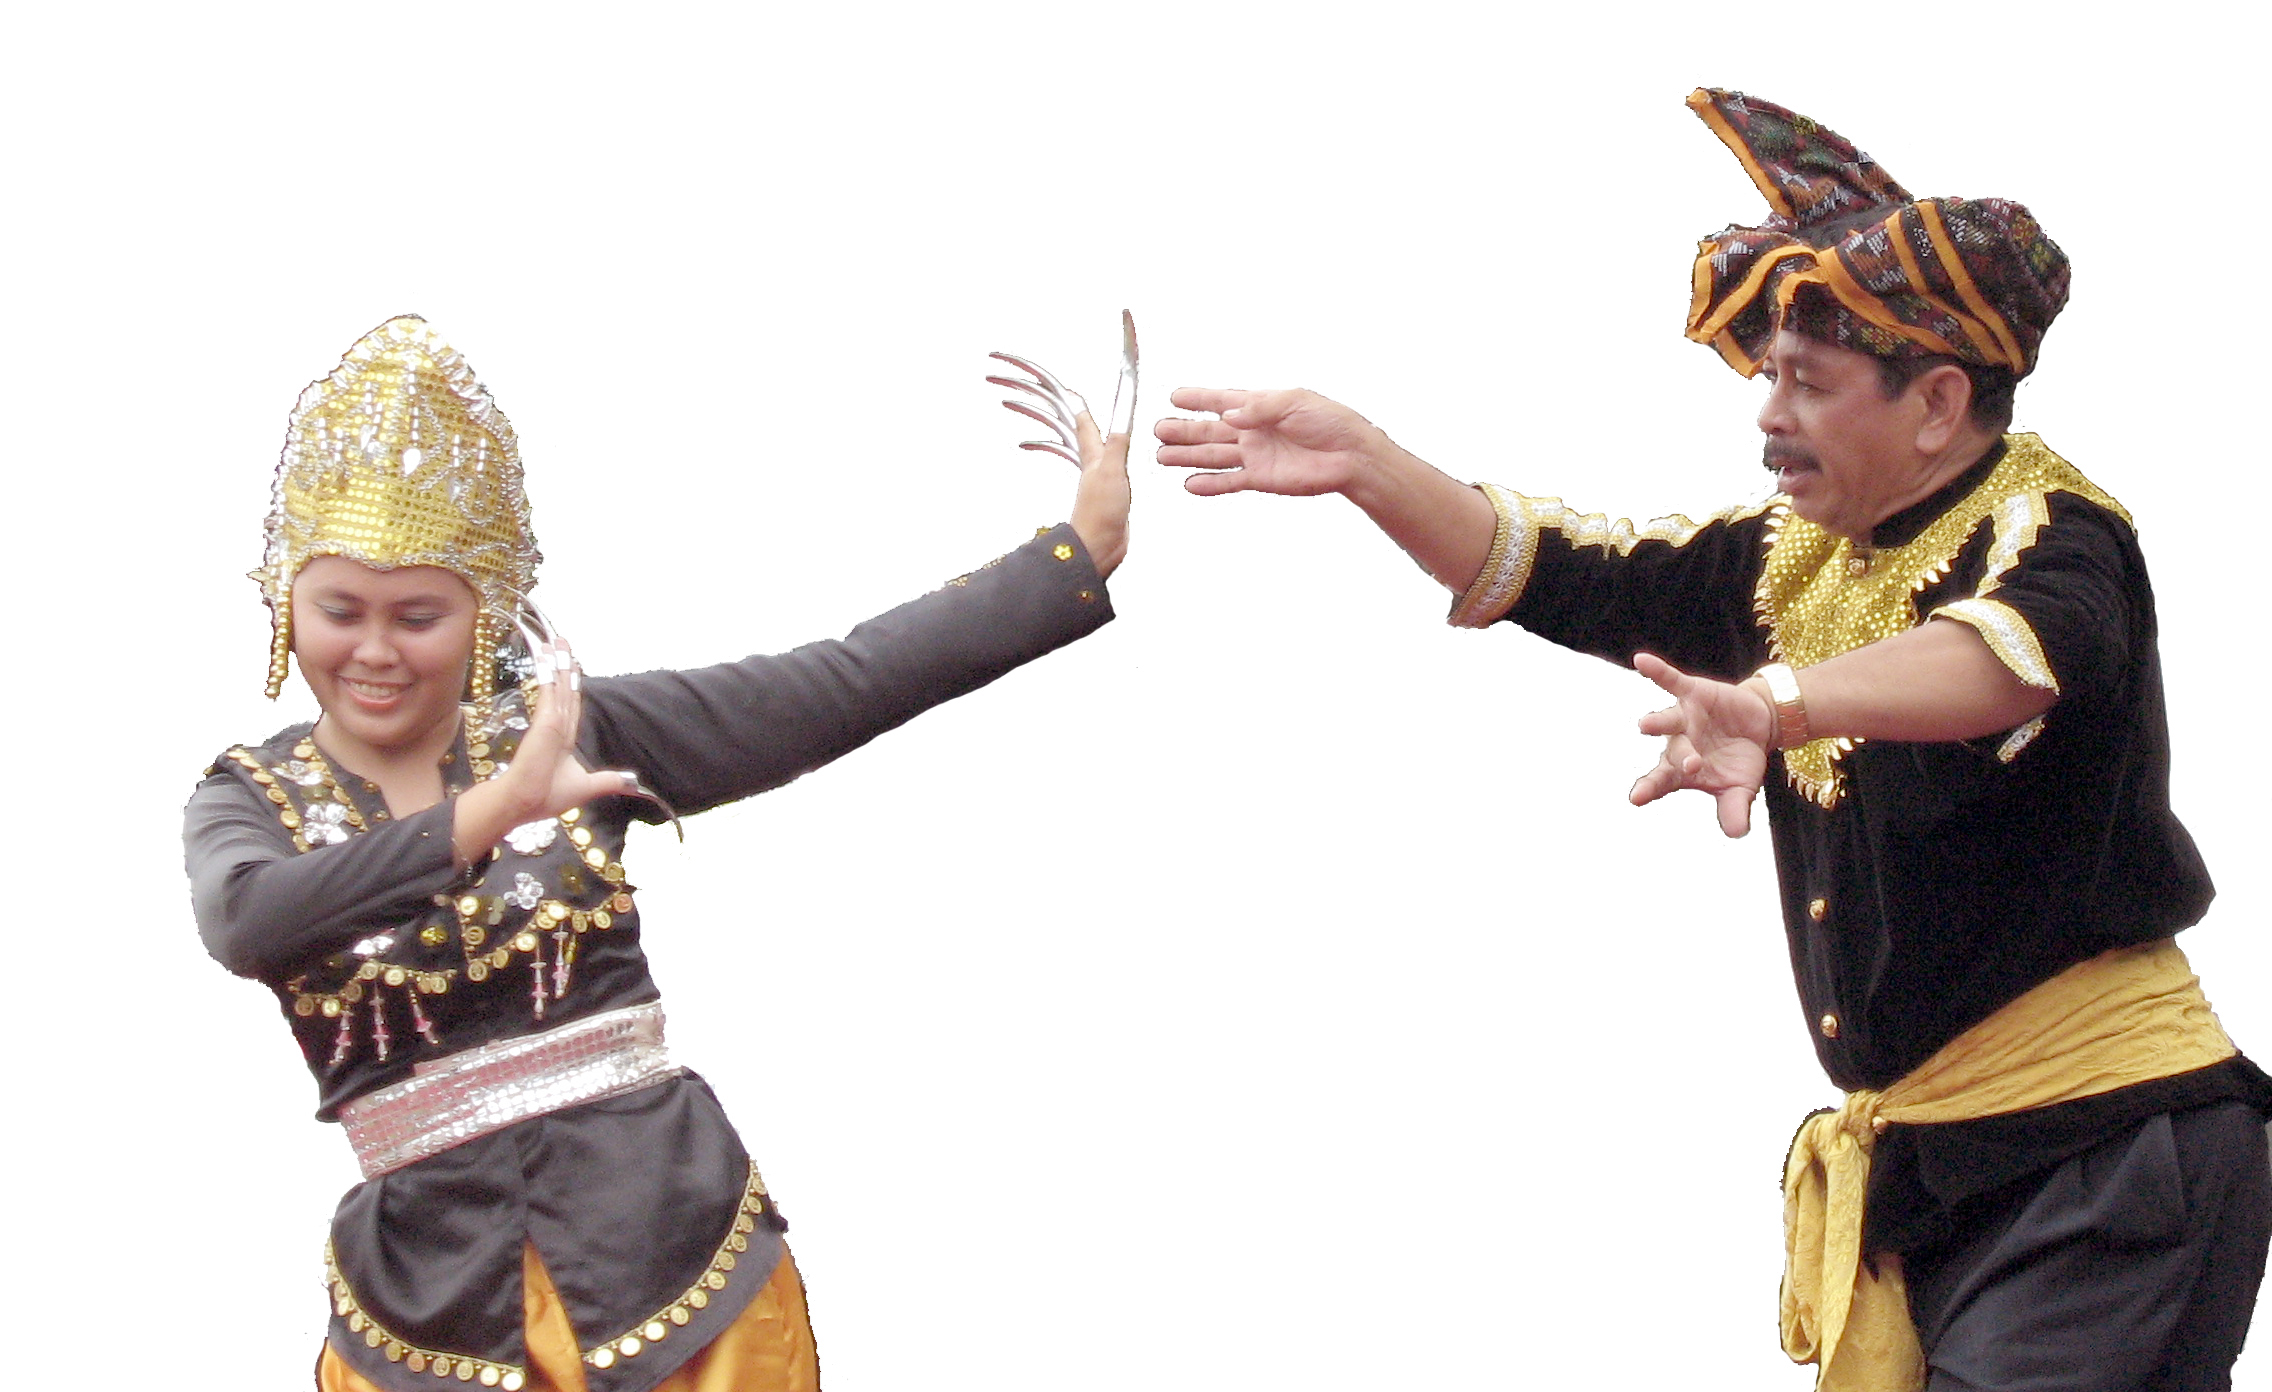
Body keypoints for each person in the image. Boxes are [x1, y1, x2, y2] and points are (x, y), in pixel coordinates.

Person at [1155, 90, 2271, 1391]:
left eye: (1809, 384)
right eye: (1768, 381)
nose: (1769, 417)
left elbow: (2004, 664)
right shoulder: (1782, 560)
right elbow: (1569, 570)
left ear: (1936, 402)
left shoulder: (2057, 530)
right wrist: (1368, 465)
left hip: (2109, 1160)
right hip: (1945, 1169)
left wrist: (1786, 703)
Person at [185, 314, 1130, 1392]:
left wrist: (1072, 556)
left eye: (419, 616)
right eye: (339, 610)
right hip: (424, 1311)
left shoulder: (575, 726)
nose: (376, 650)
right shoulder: (246, 801)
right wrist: (498, 809)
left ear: (482, 616)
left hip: (676, 1274)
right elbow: (249, 922)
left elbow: (837, 682)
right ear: (285, 604)